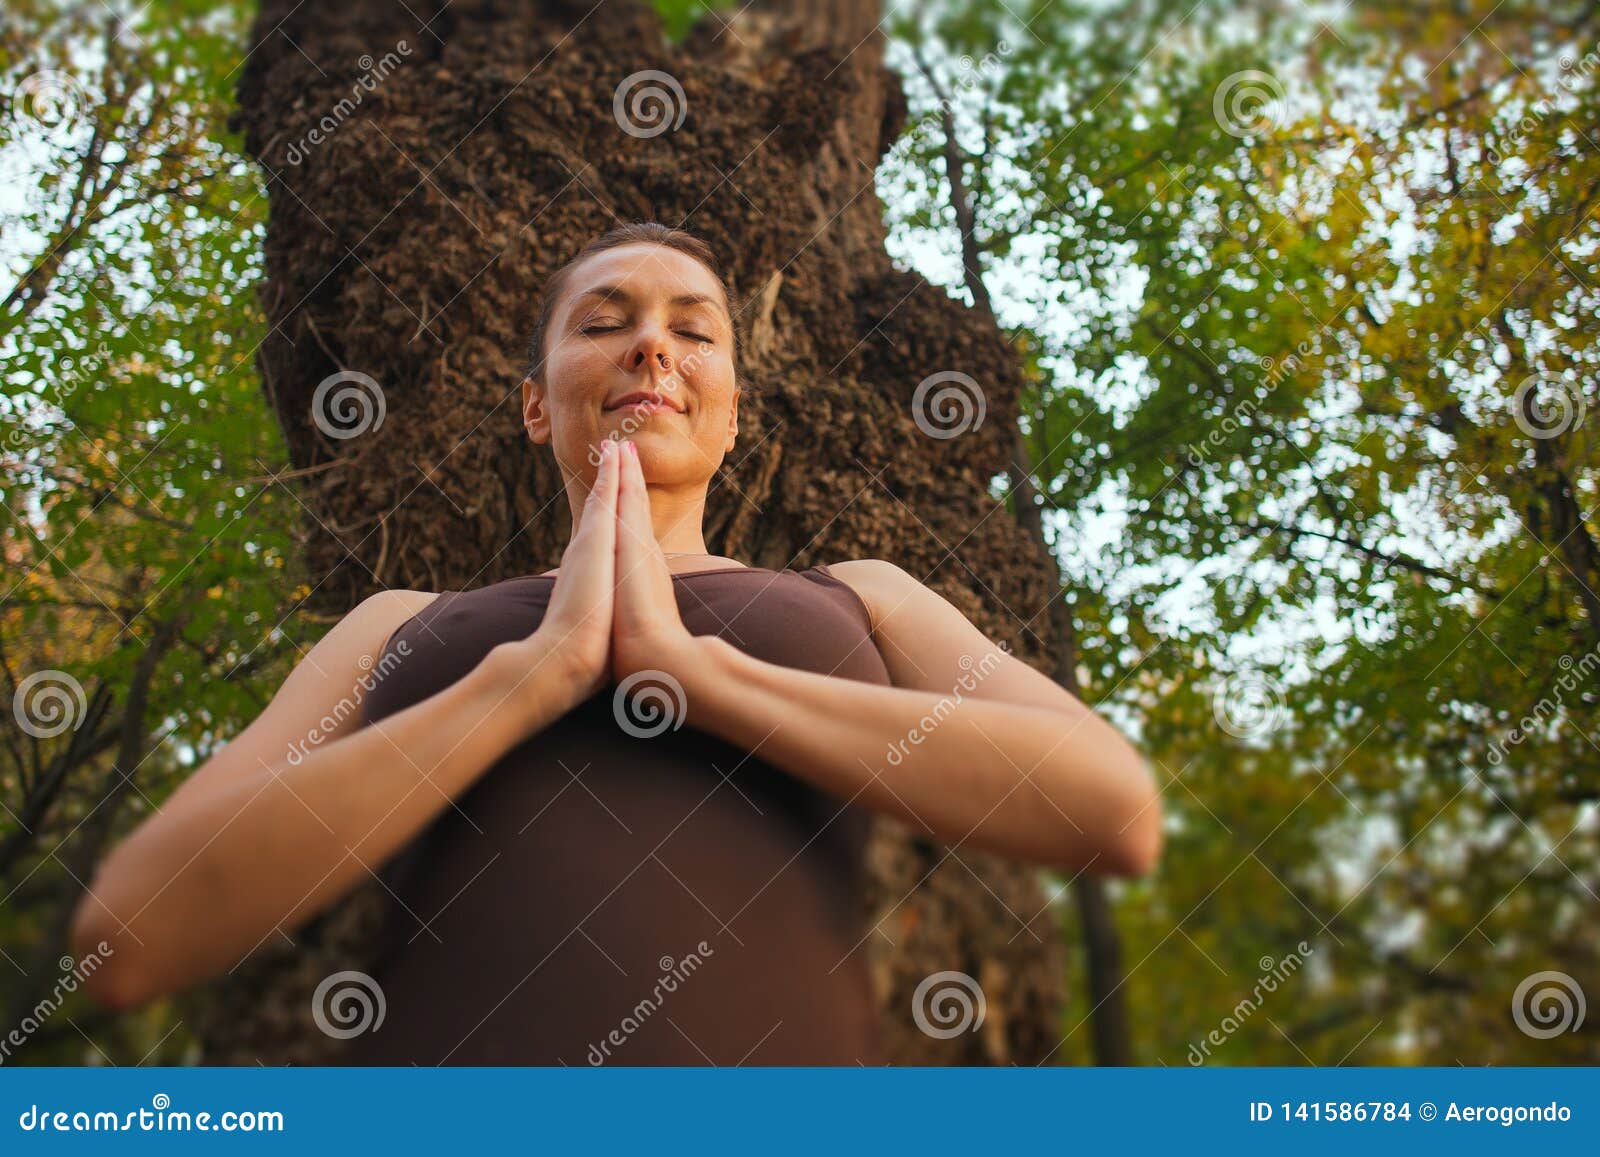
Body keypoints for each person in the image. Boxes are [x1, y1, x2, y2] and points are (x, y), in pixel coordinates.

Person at [71, 222, 1161, 1064]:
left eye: (695, 330)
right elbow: (131, 935)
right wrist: (529, 676)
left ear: (731, 413)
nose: (652, 342)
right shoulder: (393, 621)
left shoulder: (862, 593)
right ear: (537, 407)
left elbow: (1111, 806)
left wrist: (697, 673)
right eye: (603, 321)